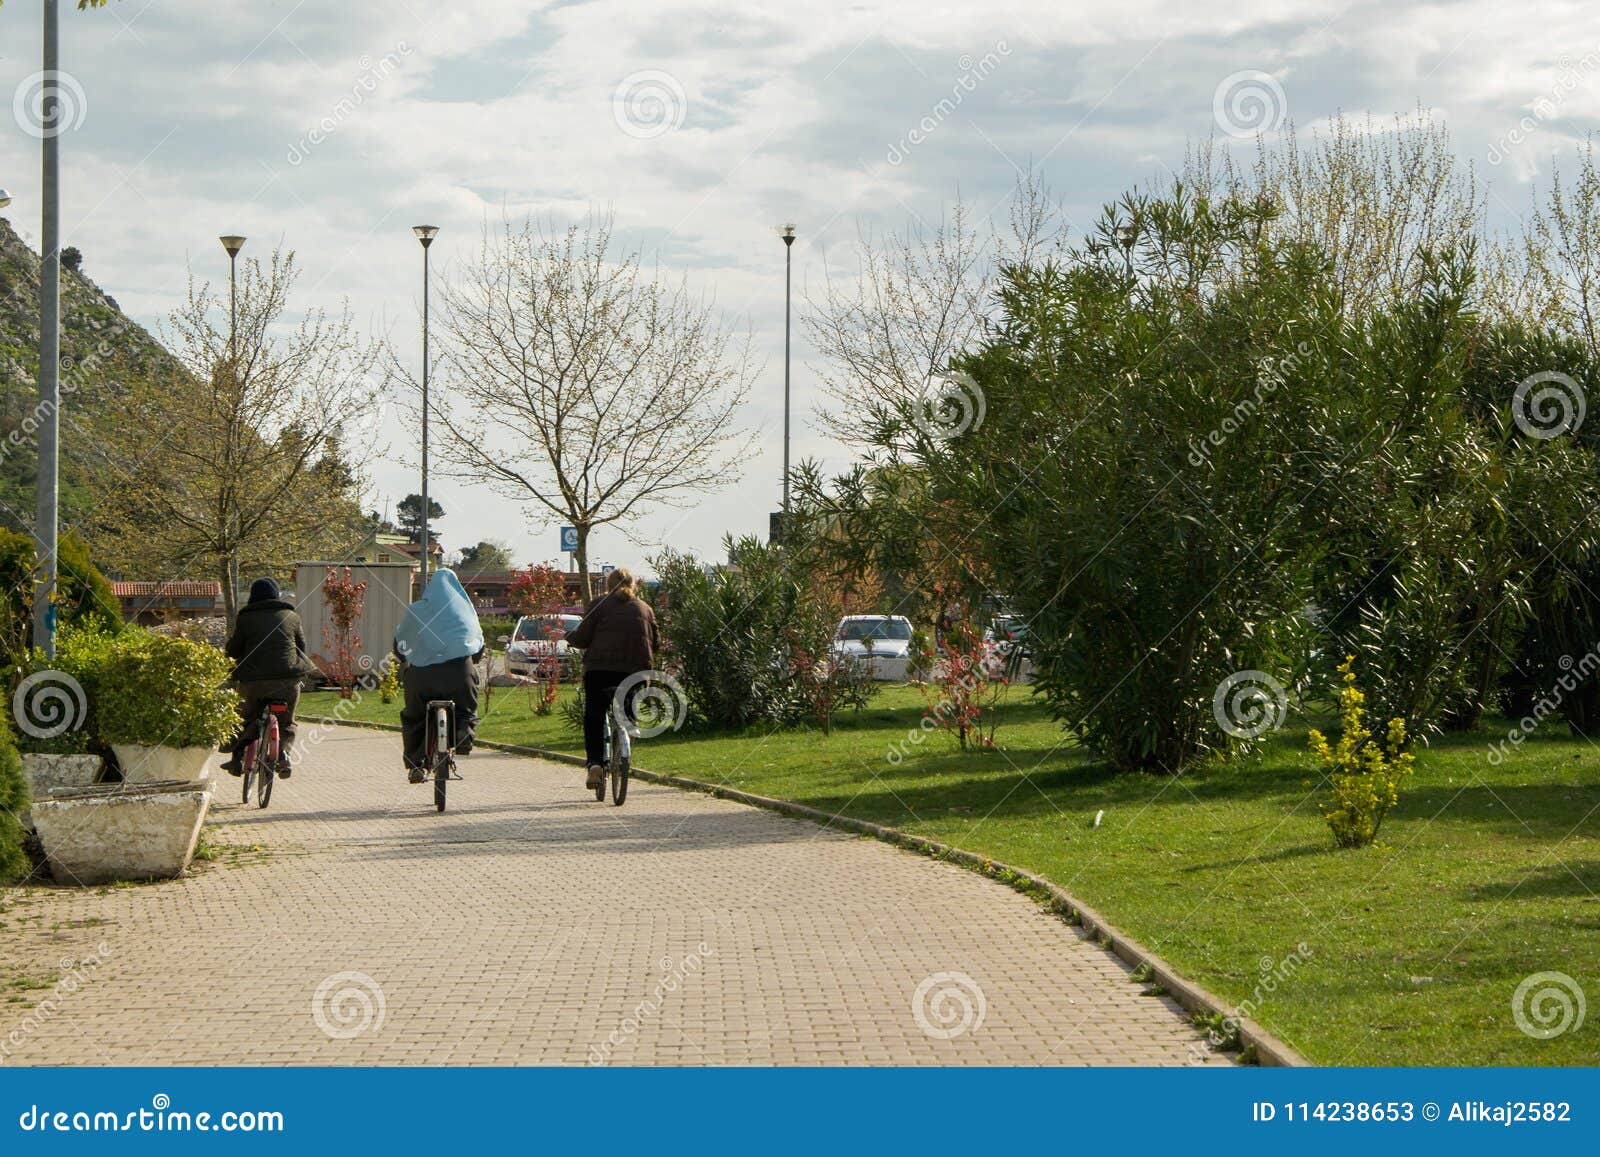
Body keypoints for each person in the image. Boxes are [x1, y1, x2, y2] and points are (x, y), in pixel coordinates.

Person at [564, 567, 659, 790]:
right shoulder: (645, 609)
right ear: (634, 585)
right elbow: (656, 643)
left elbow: (583, 638)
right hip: (635, 672)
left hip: (600, 670)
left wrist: (568, 636)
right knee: (628, 708)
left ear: (608, 585)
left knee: (594, 715)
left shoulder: (599, 604)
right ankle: (627, 736)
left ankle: (595, 764)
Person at [394, 568, 484, 783]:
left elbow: (401, 643)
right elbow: (478, 646)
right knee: (465, 711)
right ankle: (463, 732)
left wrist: (403, 656)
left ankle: (416, 765)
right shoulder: (465, 610)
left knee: (414, 716)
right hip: (459, 675)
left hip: (421, 678)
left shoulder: (416, 610)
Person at [221, 577, 315, 777]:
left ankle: (237, 758)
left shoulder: (245, 618)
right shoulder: (292, 616)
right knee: (287, 722)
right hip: (287, 680)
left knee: (244, 718)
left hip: (253, 682)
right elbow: (302, 647)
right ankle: (283, 755)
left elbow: (233, 650)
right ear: (277, 595)